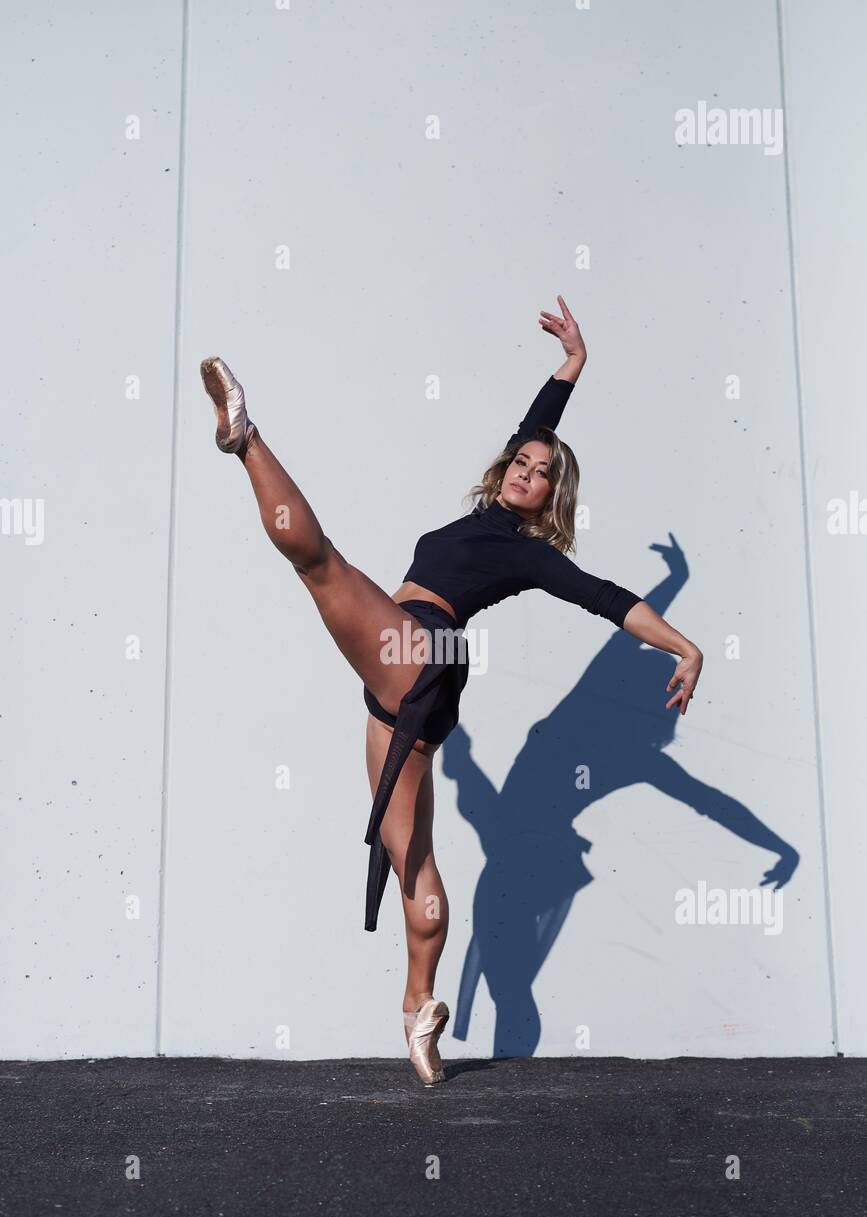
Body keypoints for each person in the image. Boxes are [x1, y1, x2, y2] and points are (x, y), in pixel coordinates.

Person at [199, 296, 704, 1085]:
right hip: (405, 682)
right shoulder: (485, 513)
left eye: (540, 478)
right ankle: (418, 1013)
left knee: (318, 562)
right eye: (521, 465)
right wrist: (570, 366)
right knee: (413, 860)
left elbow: (607, 597)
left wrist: (681, 641)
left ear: (549, 502)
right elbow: (533, 425)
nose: (526, 475)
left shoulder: (529, 554)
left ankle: (244, 438)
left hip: (416, 647)